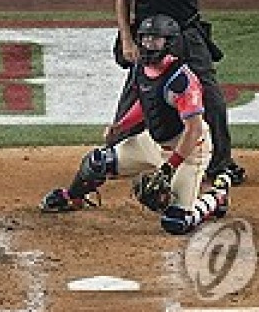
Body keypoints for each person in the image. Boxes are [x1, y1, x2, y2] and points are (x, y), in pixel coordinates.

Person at [39, 15, 231, 236]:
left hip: (189, 151)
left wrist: (171, 166)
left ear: (169, 43)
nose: (148, 45)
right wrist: (121, 125)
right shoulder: (143, 69)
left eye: (155, 40)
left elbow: (194, 129)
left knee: (176, 223)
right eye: (145, 39)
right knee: (98, 162)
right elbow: (148, 103)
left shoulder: (182, 81)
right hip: (154, 142)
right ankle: (72, 197)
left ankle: (217, 196)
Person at [109, 0, 245, 191]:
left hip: (186, 33)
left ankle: (222, 164)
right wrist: (127, 40)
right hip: (149, 38)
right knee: (136, 92)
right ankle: (114, 152)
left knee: (211, 97)